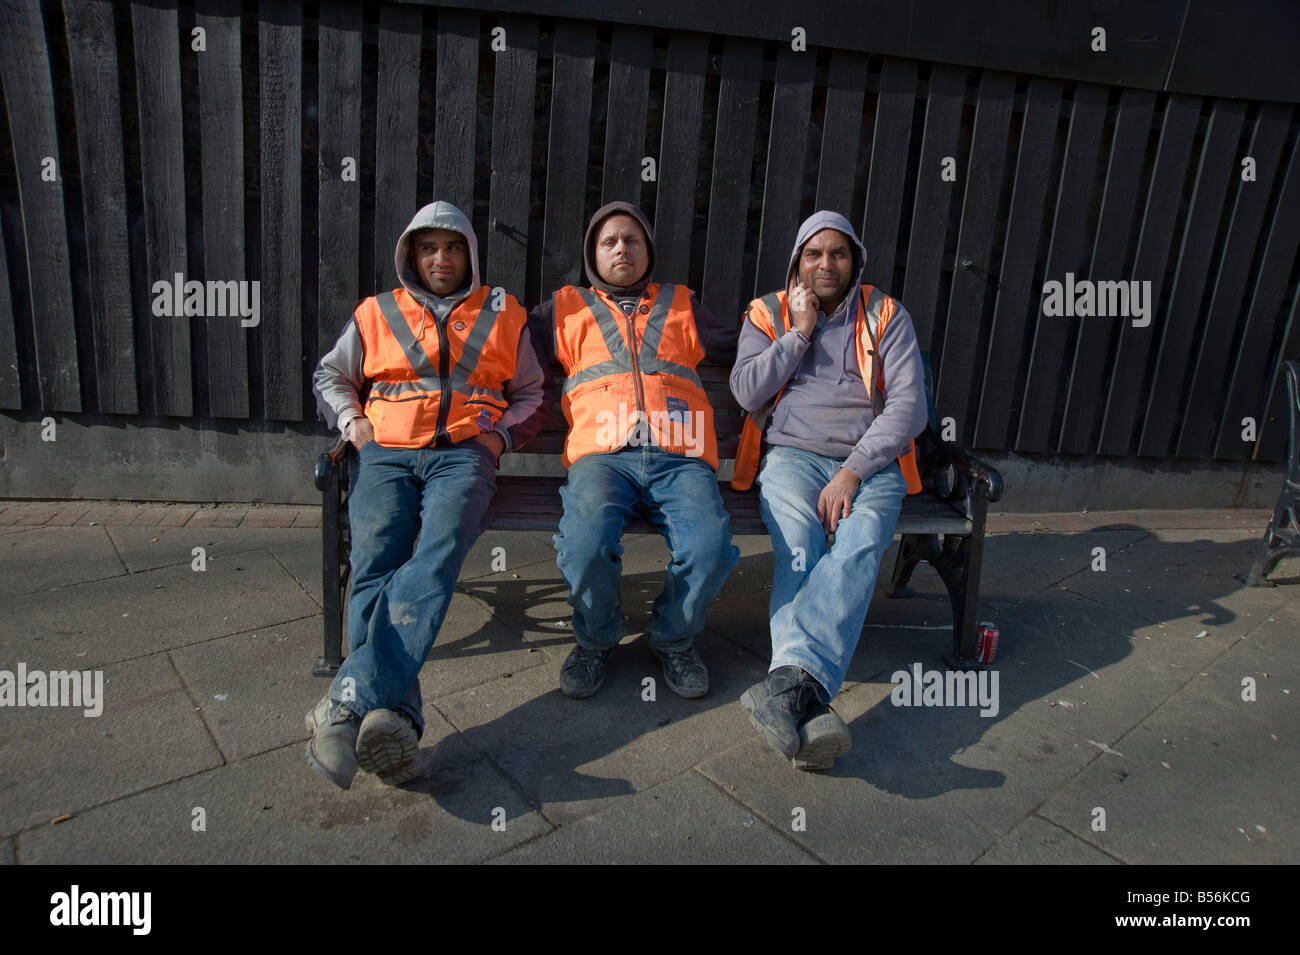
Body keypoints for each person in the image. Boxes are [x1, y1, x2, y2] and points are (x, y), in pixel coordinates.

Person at [308, 201, 549, 789]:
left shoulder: (503, 312)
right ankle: (396, 717)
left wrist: (498, 437)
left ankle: (344, 704)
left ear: (470, 253)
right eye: (428, 247)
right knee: (373, 562)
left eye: (453, 247)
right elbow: (329, 375)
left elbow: (533, 394)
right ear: (410, 254)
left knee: (436, 553)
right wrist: (353, 425)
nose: (441, 258)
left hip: (464, 455)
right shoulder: (376, 312)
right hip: (385, 451)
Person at [729, 210, 927, 771]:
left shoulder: (886, 314)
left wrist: (854, 470)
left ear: (854, 261)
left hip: (870, 465)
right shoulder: (769, 312)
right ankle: (809, 704)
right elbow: (746, 392)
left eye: (837, 253)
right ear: (798, 262)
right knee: (799, 543)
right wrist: (798, 332)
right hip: (791, 456)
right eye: (814, 254)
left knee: (861, 543)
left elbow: (910, 407)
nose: (826, 264)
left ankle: (786, 688)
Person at [530, 202, 739, 699]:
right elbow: (499, 354)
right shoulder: (562, 309)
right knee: (583, 545)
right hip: (602, 456)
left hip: (681, 454)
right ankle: (597, 637)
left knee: (710, 549)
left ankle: (673, 638)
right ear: (593, 254)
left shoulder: (684, 304)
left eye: (632, 240)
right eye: (609, 242)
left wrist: (796, 330)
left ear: (648, 251)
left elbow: (747, 348)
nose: (621, 248)